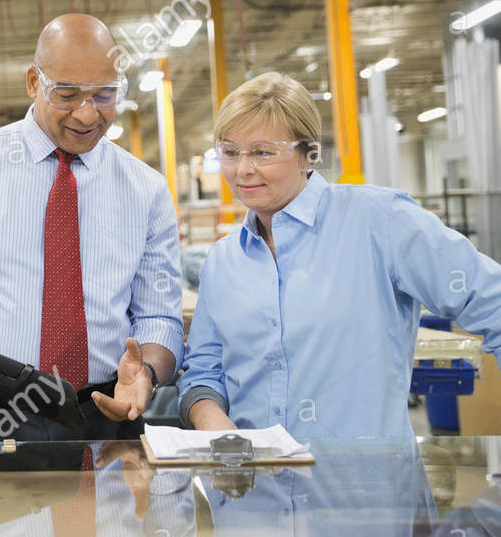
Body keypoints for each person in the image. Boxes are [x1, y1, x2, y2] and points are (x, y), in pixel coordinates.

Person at [0, 13, 184, 442]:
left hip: (106, 419)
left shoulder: (146, 191)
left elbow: (158, 317)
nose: (87, 114)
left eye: (105, 95)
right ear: (33, 82)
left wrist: (147, 374)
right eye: (66, 94)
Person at [179, 72, 501, 440]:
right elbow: (204, 372)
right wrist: (213, 423)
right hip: (255, 490)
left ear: (307, 154)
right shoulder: (223, 261)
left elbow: (491, 300)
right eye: (231, 152)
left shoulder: (380, 221)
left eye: (263, 152)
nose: (243, 169)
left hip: (365, 489)